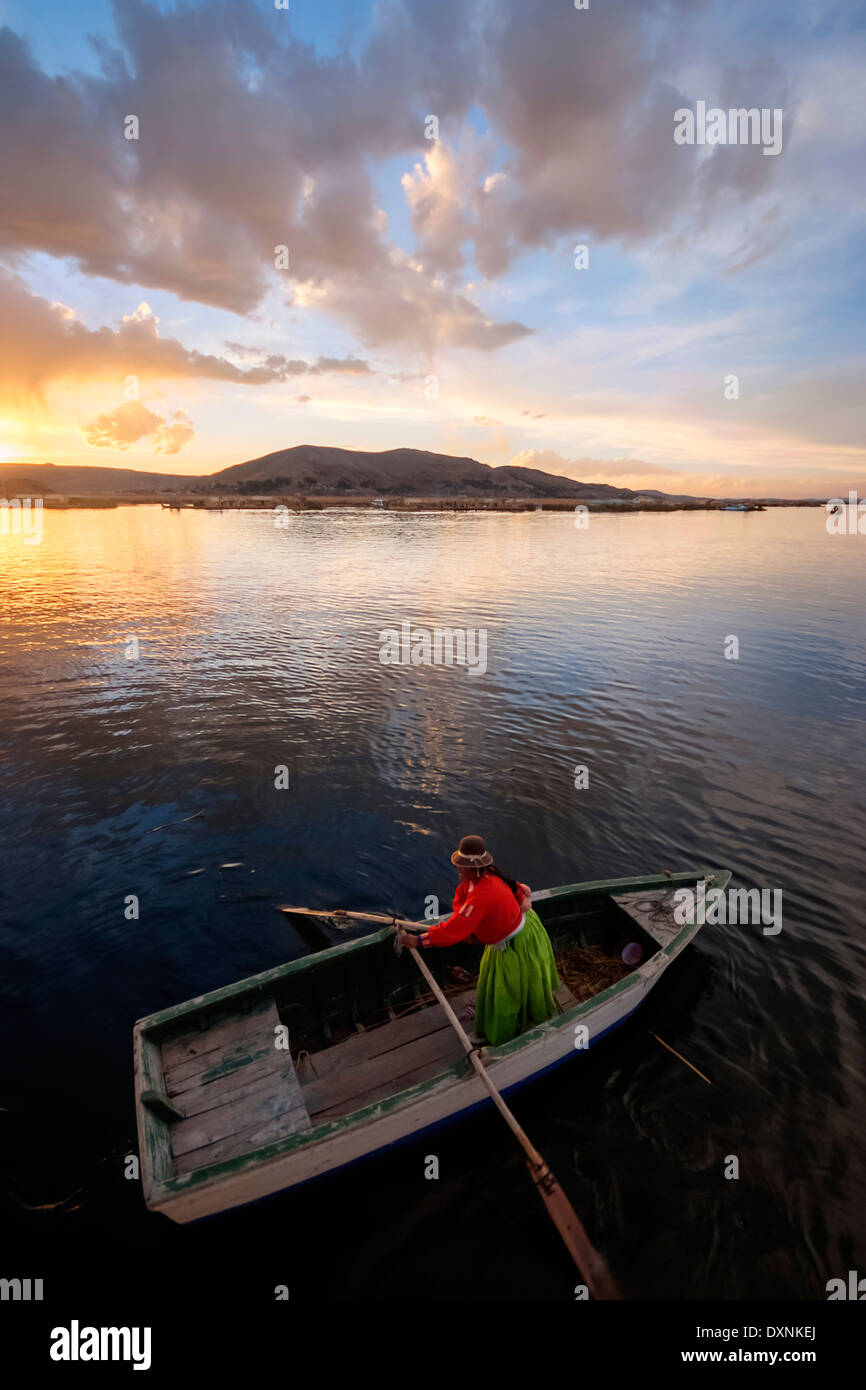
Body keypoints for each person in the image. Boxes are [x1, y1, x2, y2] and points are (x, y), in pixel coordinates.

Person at [400, 834, 560, 1046]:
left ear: (475, 869)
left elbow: (454, 929)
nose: (458, 869)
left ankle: (499, 1037)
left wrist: (418, 941)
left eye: (462, 866)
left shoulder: (482, 895)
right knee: (498, 982)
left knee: (506, 994)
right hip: (519, 930)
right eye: (459, 864)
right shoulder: (487, 875)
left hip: (516, 944)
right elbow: (466, 916)